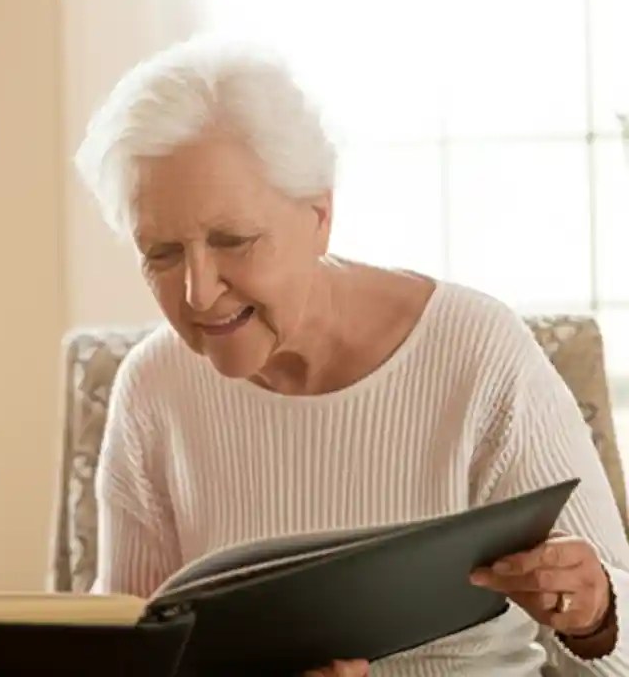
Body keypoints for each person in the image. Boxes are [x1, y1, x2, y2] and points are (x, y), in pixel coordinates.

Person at [73, 34, 629, 676]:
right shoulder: (154, 389)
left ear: (320, 217)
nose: (197, 291)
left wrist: (594, 611)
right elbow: (129, 658)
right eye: (162, 254)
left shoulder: (475, 352)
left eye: (233, 241)